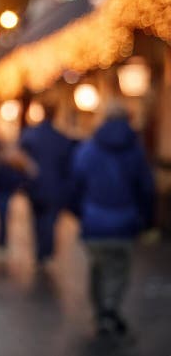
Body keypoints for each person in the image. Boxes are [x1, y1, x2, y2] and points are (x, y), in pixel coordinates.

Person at [70, 102, 155, 337]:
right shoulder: (136, 151)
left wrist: (81, 213)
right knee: (119, 270)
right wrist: (146, 220)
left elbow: (75, 185)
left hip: (94, 221)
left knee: (98, 268)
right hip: (125, 221)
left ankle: (102, 313)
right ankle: (110, 309)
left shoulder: (88, 150)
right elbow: (146, 189)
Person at [19, 102, 76, 263]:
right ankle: (46, 251)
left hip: (35, 186)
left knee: (37, 218)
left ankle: (42, 250)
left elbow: (20, 156)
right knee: (49, 220)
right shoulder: (60, 138)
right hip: (54, 186)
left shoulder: (31, 135)